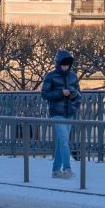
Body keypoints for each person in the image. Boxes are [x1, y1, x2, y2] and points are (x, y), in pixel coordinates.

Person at [41, 48, 80, 178]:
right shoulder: (50, 76)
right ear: (58, 63)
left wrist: (74, 97)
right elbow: (44, 94)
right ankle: (67, 169)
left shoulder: (73, 76)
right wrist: (60, 93)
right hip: (57, 112)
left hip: (69, 113)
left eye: (67, 64)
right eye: (63, 64)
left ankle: (55, 170)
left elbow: (79, 94)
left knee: (61, 142)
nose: (65, 66)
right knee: (64, 141)